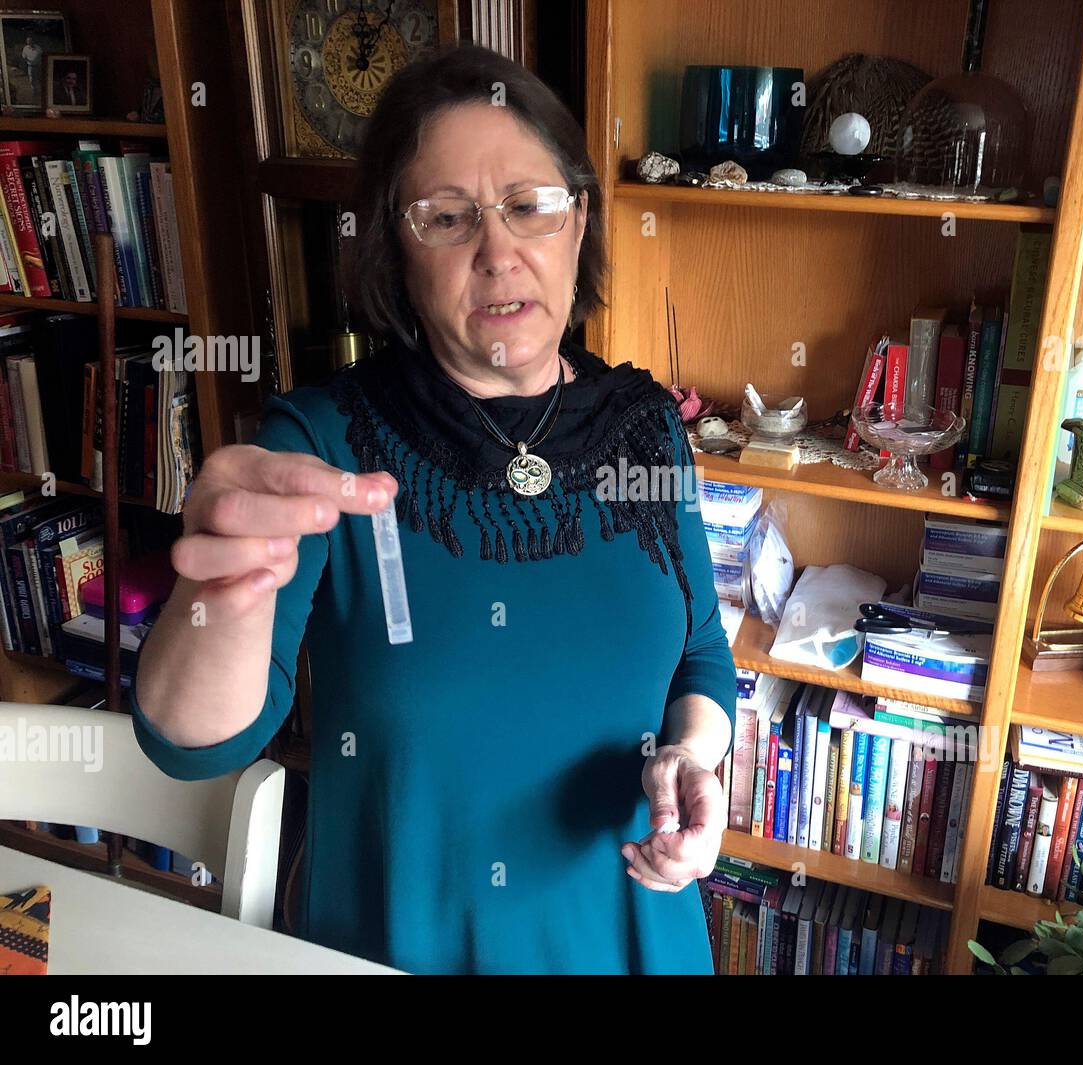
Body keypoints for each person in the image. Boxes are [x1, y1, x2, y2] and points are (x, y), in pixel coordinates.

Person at [131, 44, 736, 974]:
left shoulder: (648, 430)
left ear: (577, 223)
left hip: (635, 937)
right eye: (447, 218)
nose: (499, 253)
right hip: (404, 947)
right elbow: (191, 744)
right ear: (396, 252)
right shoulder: (323, 443)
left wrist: (696, 765)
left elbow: (701, 658)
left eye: (530, 206)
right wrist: (223, 590)